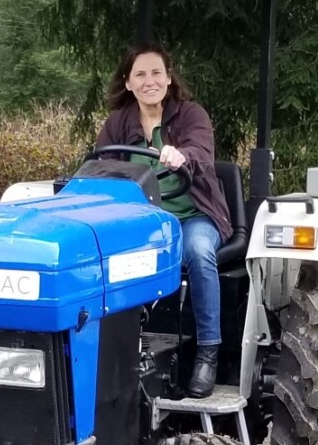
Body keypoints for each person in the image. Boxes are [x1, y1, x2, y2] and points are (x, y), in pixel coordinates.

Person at [95, 42, 232, 398]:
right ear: (128, 83)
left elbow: (201, 153)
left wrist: (181, 154)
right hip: (144, 222)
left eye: (156, 72)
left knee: (199, 253)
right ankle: (114, 351)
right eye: (140, 74)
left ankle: (207, 352)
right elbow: (99, 165)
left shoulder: (191, 116)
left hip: (193, 216)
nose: (149, 80)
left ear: (169, 78)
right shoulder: (118, 123)